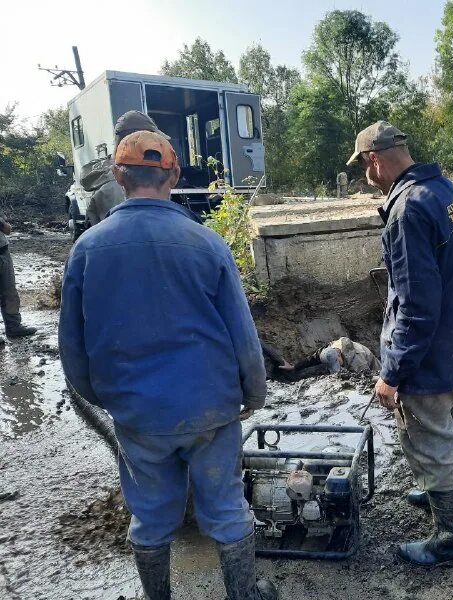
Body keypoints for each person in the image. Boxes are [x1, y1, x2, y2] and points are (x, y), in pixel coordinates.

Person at [59, 131, 278, 600]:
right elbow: (243, 335)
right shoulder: (206, 243)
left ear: (118, 176)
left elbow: (72, 348)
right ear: (174, 174)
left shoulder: (87, 250)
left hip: (138, 414)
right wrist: (253, 393)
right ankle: (245, 594)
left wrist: (109, 397)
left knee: (151, 514)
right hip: (210, 408)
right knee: (226, 507)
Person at [347, 121, 453, 567]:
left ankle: (451, 540)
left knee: (429, 438)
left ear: (374, 160)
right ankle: (435, 491)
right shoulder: (451, 193)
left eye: (363, 166)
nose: (365, 175)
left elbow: (415, 305)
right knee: (445, 422)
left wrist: (392, 373)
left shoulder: (407, 211)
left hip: (426, 352)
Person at [83, 111, 168, 226]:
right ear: (137, 142)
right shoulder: (116, 189)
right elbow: (130, 232)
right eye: (153, 141)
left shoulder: (120, 180)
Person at [262, 336, 380, 381]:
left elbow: (365, 380)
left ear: (339, 355)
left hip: (374, 367)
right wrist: (294, 367)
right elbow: (312, 359)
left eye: (337, 364)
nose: (336, 368)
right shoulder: (328, 350)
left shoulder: (358, 363)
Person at [0, 216, 37, 341]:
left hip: (3, 252)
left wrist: (1, 222)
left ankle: (13, 326)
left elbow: (7, 230)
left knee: (10, 292)